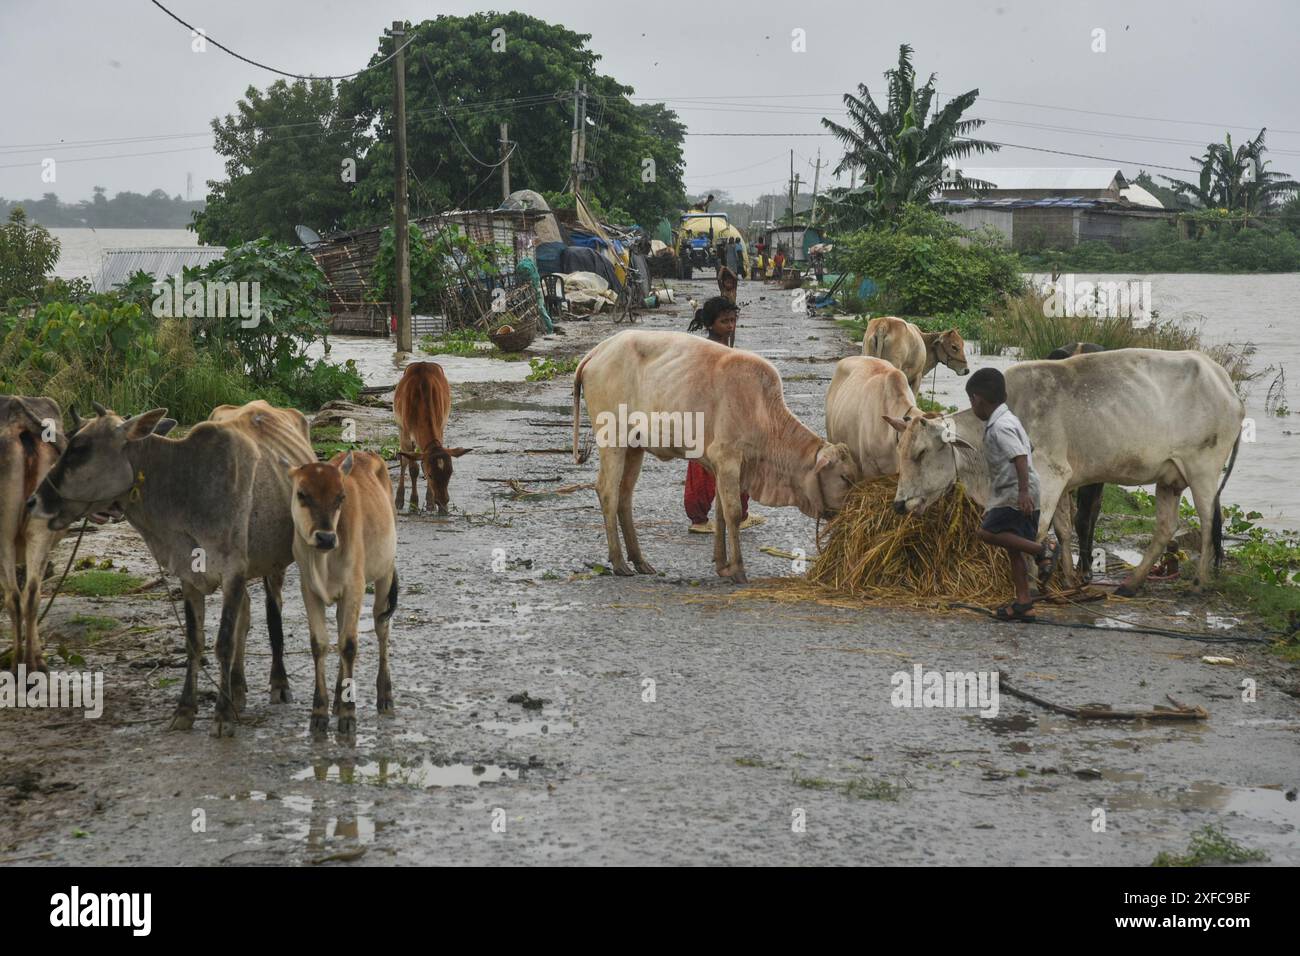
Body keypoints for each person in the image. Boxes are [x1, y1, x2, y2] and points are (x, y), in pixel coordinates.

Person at [966, 368, 1060, 621]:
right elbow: (1029, 447)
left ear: (978, 400)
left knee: (987, 532)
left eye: (971, 402)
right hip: (1018, 490)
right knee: (1013, 548)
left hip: (1015, 494)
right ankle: (1023, 602)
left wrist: (1021, 492)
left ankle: (1043, 550)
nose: (972, 407)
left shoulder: (1001, 427)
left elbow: (1019, 455)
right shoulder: (1010, 420)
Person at [683, 297, 763, 533]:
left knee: (738, 465)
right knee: (702, 468)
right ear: (710, 324)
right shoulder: (705, 352)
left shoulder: (726, 350)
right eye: (724, 321)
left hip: (728, 418)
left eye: (733, 320)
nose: (730, 326)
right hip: (706, 418)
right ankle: (699, 519)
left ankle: (739, 513)